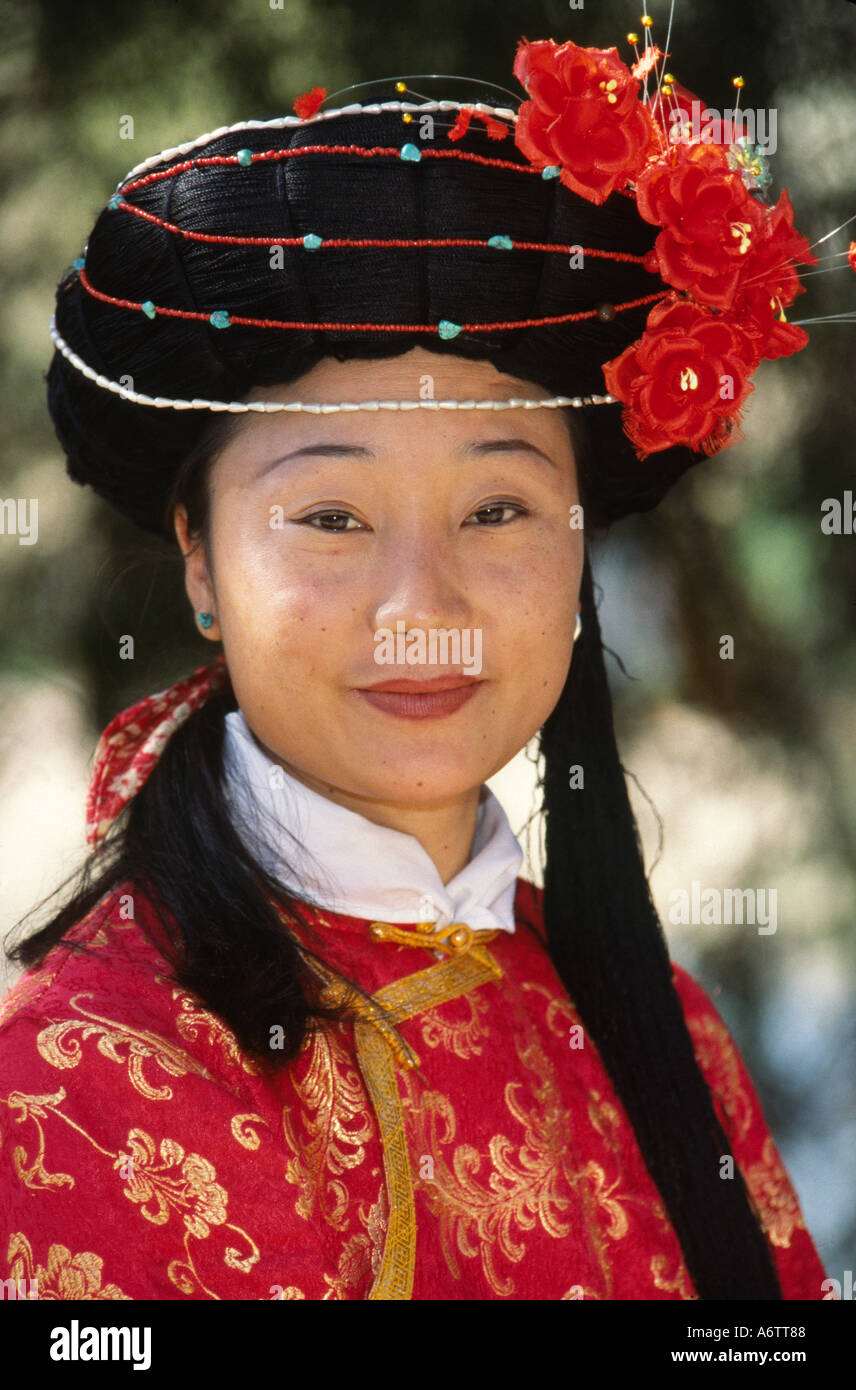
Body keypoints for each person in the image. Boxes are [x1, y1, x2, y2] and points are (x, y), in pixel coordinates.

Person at [0, 30, 829, 1300]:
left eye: (496, 510)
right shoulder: (81, 1082)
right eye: (331, 518)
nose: (422, 605)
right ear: (202, 561)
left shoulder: (666, 1033)